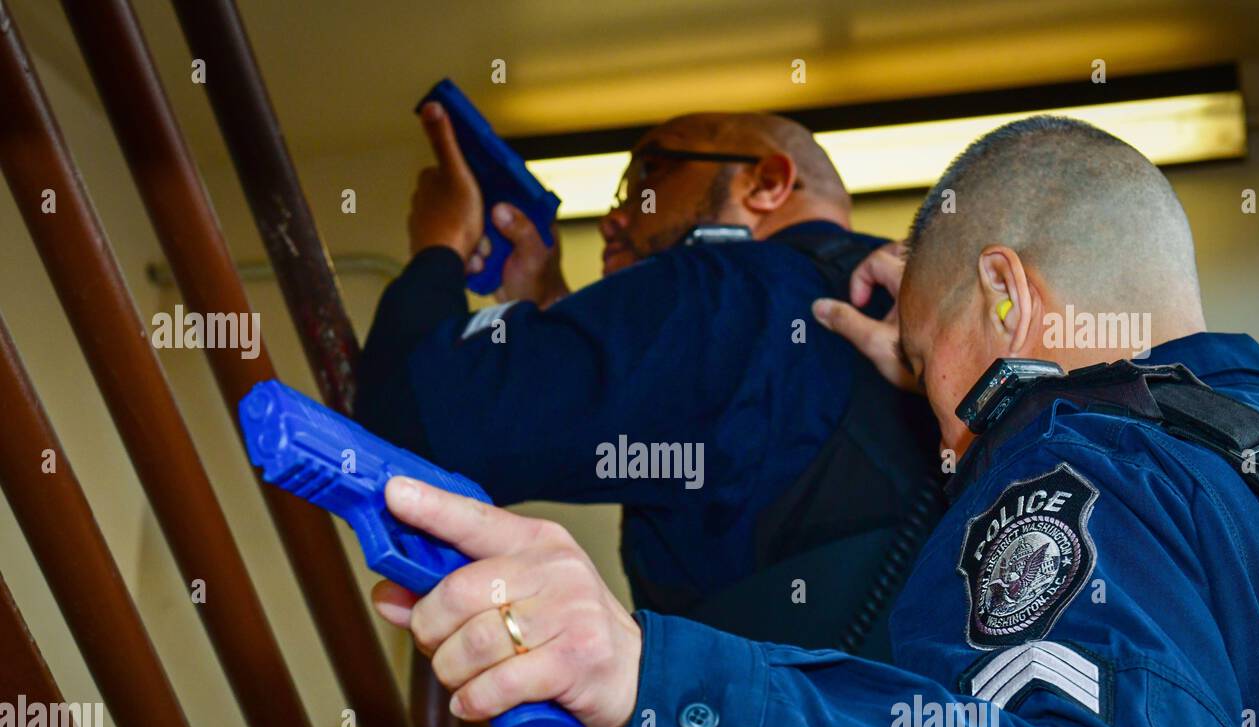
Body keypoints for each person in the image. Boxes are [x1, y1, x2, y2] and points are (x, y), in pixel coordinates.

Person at [368, 115, 1259, 727]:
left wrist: (649, 677)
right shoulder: (1258, 455)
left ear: (1008, 295)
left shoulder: (1080, 465)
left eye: (926, 361)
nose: (944, 438)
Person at [355, 104, 939, 654]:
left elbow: (406, 426)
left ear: (765, 183)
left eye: (651, 173)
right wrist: (556, 313)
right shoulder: (925, 307)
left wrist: (439, 246)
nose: (616, 215)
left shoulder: (711, 286)